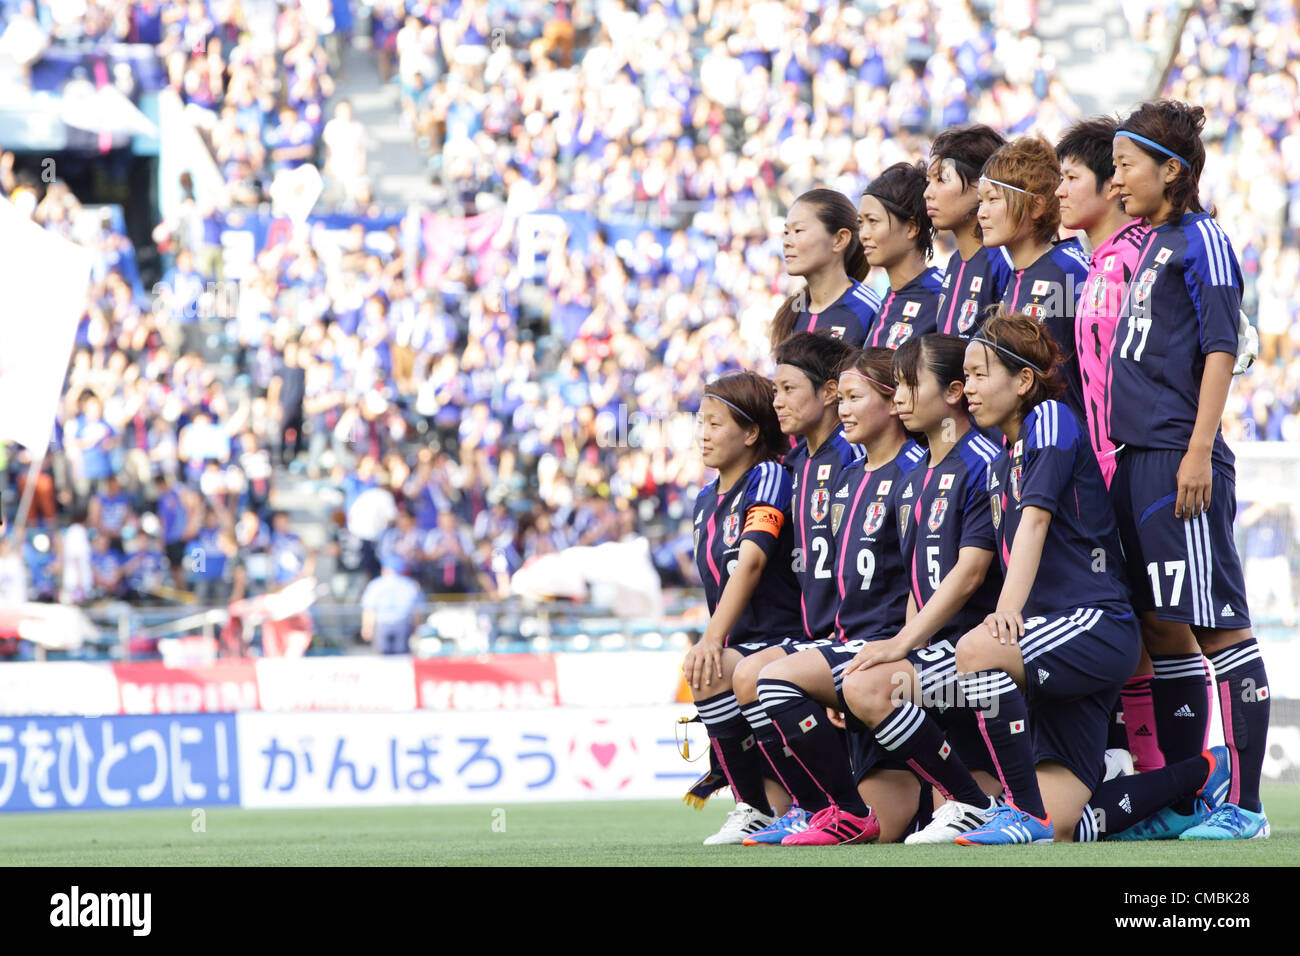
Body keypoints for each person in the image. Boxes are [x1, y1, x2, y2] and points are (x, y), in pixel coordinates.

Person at [1106, 99, 1270, 839]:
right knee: (1162, 626)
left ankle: (1245, 809)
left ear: (1172, 169)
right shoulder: (1154, 241)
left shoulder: (1206, 240)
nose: (1116, 182)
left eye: (1125, 166)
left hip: (1180, 455)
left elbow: (1220, 348)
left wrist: (1200, 448)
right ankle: (1182, 805)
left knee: (1219, 629)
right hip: (1138, 459)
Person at [750, 347, 928, 845]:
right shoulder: (845, 473)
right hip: (849, 647)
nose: (844, 410)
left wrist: (894, 650)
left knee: (770, 681)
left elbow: (924, 581)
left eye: (853, 398)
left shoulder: (913, 471)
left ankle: (966, 802)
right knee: (886, 833)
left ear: (894, 403)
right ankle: (825, 808)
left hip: (895, 652)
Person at [837, 333, 1006, 844]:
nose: (901, 398)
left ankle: (974, 803)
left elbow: (972, 572)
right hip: (936, 658)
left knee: (1064, 823)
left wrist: (903, 645)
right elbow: (918, 582)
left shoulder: (983, 459)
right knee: (861, 681)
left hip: (982, 658)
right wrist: (906, 649)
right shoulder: (919, 472)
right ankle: (963, 802)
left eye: (910, 385)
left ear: (953, 392)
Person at [1055, 115, 1164, 775]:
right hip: (1101, 476)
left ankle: (1173, 778)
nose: (1059, 192)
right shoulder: (1095, 265)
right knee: (1134, 633)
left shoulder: (1133, 261)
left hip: (1133, 470)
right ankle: (1147, 773)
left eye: (1072, 178)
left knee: (1161, 631)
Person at [681, 370, 804, 844]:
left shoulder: (768, 476)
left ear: (752, 432)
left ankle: (766, 805)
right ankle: (752, 805)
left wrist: (710, 638)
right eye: (701, 422)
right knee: (708, 669)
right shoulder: (702, 500)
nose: (703, 434)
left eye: (715, 424)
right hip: (740, 651)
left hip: (784, 641)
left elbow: (751, 563)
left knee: (707, 666)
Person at [978, 135, 1090, 420]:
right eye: (981, 201)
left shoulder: (1066, 271)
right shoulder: (1015, 275)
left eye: (993, 200)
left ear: (1037, 206)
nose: (981, 213)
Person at [923, 125, 1013, 338]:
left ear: (980, 187)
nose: (927, 193)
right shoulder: (955, 262)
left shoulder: (1005, 260)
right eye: (928, 182)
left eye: (941, 180)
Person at [770, 189, 881, 350]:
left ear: (839, 239)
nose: (786, 241)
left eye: (798, 231)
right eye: (786, 232)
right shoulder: (792, 310)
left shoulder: (868, 310)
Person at [858, 162, 945, 351]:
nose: (863, 234)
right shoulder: (886, 300)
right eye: (860, 223)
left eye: (873, 221)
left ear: (911, 228)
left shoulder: (942, 294)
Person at [360, 553, 424, 655]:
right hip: (403, 625)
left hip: (382, 625)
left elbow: (369, 609)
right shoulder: (410, 585)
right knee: (401, 659)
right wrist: (416, 628)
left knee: (382, 660)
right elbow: (417, 611)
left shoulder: (376, 585)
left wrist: (367, 628)